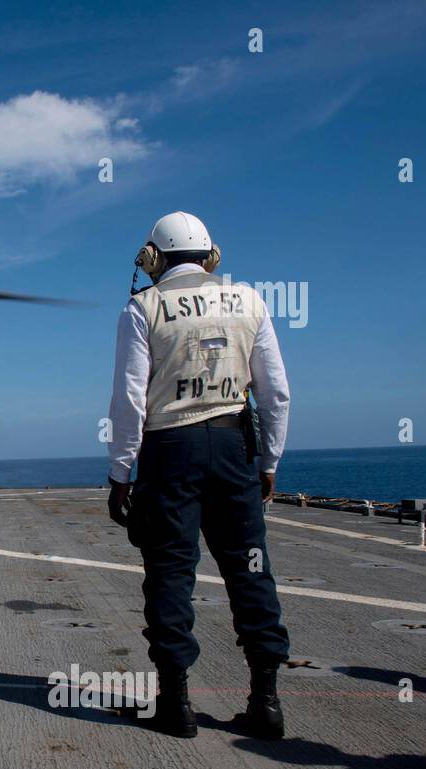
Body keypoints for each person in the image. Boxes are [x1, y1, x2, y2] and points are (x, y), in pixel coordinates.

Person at [107, 211, 291, 740]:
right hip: (235, 444)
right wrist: (269, 461)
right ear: (211, 255)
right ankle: (267, 701)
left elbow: (129, 401)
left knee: (169, 570)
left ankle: (177, 703)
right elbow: (275, 392)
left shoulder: (143, 307)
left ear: (152, 258)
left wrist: (122, 473)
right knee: (251, 570)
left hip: (170, 450)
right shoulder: (250, 301)